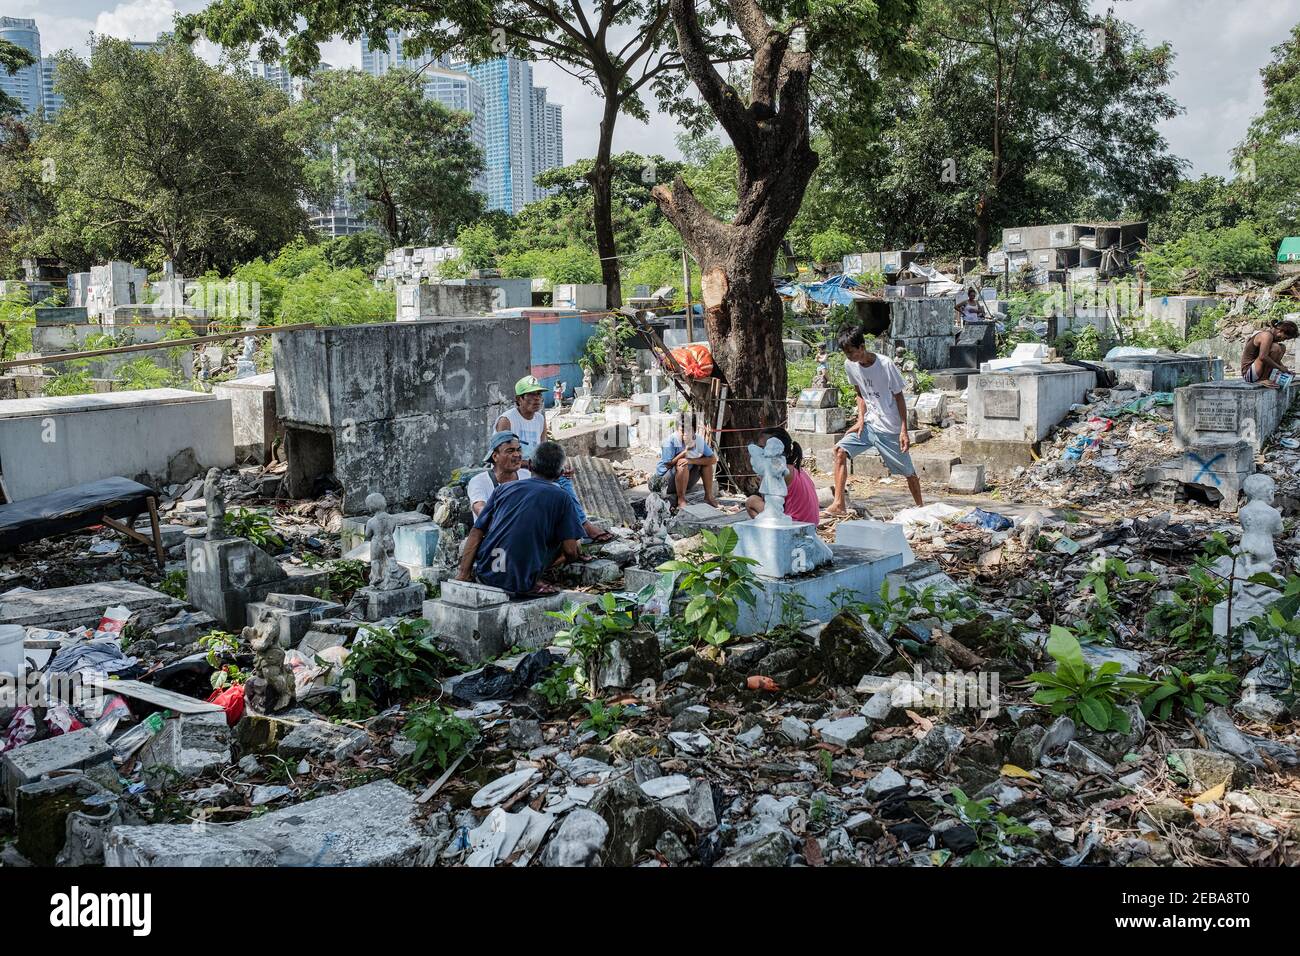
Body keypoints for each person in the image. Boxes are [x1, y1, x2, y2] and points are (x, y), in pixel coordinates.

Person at [457, 441, 586, 597]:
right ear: (559, 474)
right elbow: (570, 550)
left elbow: (476, 531)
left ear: (530, 465)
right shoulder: (562, 497)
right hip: (520, 584)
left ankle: (524, 574)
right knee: (571, 541)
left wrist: (463, 575)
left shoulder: (503, 488)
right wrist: (572, 556)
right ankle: (531, 577)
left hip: (486, 573)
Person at [494, 375, 613, 541]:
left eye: (539, 395)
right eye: (531, 395)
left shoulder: (540, 419)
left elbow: (544, 453)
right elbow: (502, 458)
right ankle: (583, 527)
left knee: (563, 478)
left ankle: (579, 527)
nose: (537, 399)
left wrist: (557, 468)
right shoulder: (507, 420)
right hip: (513, 471)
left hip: (533, 470)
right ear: (519, 399)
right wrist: (528, 465)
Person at [826, 325, 923, 514]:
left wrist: (904, 430)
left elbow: (899, 397)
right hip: (869, 423)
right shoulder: (850, 365)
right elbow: (859, 392)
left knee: (909, 473)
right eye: (846, 354)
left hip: (890, 428)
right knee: (839, 451)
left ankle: (920, 508)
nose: (850, 357)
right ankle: (839, 503)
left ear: (862, 347)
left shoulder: (885, 364)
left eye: (852, 352)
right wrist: (860, 419)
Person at [745, 427, 819, 524]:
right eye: (760, 448)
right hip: (811, 523)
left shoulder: (777, 470)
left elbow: (769, 500)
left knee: (752, 501)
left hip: (794, 522)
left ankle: (768, 533)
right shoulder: (797, 470)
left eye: (764, 448)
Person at [650, 413, 720, 508]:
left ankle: (708, 496)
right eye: (681, 431)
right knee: (682, 463)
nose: (684, 434)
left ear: (694, 431)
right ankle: (681, 500)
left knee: (705, 463)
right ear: (677, 430)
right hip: (664, 483)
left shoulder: (698, 440)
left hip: (685, 480)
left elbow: (713, 459)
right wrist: (685, 452)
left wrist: (691, 461)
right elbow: (668, 465)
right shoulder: (670, 441)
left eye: (688, 430)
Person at [468, 431, 531, 517]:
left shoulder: (528, 476)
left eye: (519, 450)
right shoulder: (479, 481)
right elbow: (481, 511)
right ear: (495, 456)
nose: (517, 454)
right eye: (510, 451)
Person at [1241, 319, 1298, 387]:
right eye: (1284, 338)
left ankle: (1266, 377)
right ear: (1280, 331)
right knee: (1276, 348)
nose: (1283, 340)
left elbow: (1274, 360)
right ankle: (1263, 379)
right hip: (1249, 374)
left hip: (1257, 371)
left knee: (1282, 347)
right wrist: (1280, 368)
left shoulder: (1271, 337)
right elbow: (1263, 357)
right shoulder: (1266, 336)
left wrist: (1285, 370)